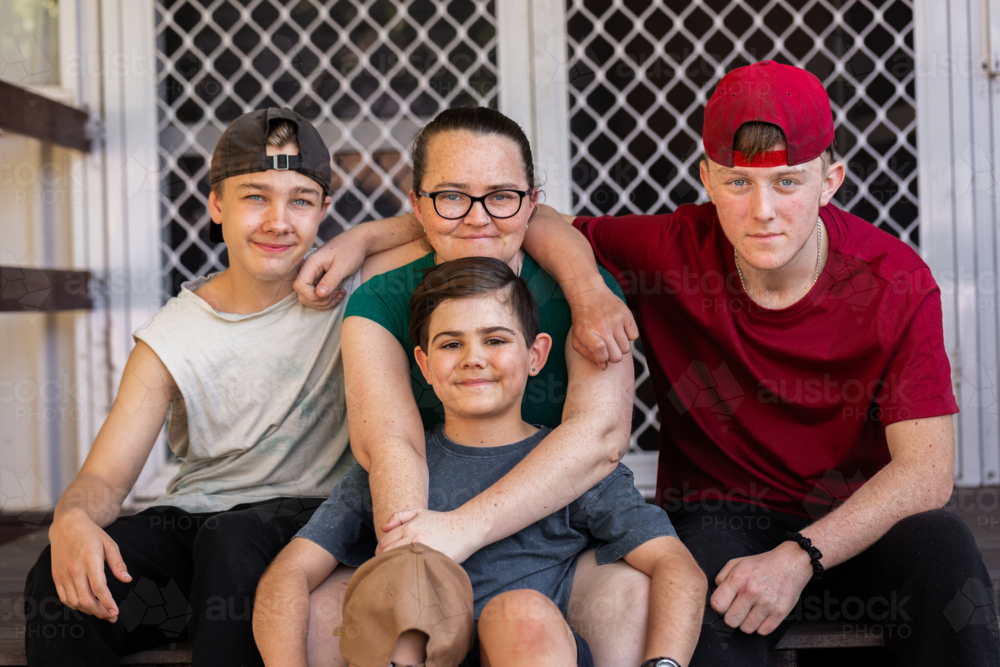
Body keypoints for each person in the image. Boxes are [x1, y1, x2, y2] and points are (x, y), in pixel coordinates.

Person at [517, 60, 1000, 666]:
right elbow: (526, 215)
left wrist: (801, 556)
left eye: (788, 183)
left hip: (855, 522)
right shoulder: (670, 249)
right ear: (708, 180)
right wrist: (588, 290)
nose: (762, 211)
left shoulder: (895, 280)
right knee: (698, 593)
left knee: (944, 543)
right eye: (738, 183)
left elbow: (927, 474)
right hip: (723, 516)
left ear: (831, 181)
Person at [21, 107, 404, 666]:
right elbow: (105, 475)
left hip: (314, 524)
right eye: (255, 197)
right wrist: (72, 520)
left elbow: (454, 218)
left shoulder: (352, 287)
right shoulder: (170, 337)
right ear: (216, 205)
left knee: (233, 541)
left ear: (324, 210)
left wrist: (363, 238)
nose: (278, 221)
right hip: (202, 533)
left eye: (300, 199)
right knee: (59, 581)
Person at [254, 257, 706, 667]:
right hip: (420, 654)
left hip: (532, 651)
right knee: (393, 609)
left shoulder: (569, 467)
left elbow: (676, 567)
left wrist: (664, 664)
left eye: (494, 339)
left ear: (536, 356)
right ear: (425, 367)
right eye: (451, 344)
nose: (473, 359)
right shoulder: (400, 468)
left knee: (519, 613)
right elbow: (289, 572)